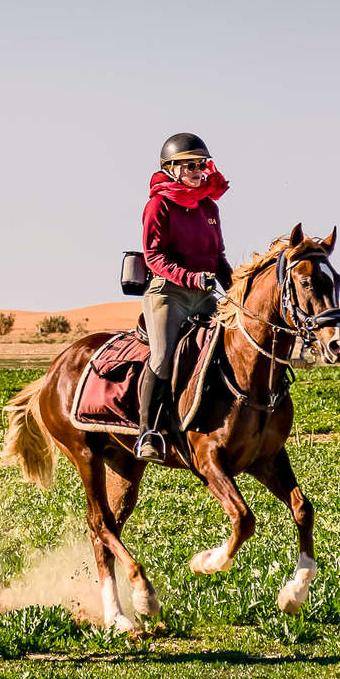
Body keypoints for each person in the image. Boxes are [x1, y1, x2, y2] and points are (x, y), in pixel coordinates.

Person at [137, 132, 233, 463]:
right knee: (163, 356)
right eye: (188, 164)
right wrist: (190, 277)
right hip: (168, 293)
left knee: (228, 348)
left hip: (204, 294)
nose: (197, 170)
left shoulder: (209, 207)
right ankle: (147, 431)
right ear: (171, 169)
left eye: (201, 164)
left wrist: (235, 290)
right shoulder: (158, 205)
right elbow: (153, 257)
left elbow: (218, 257)